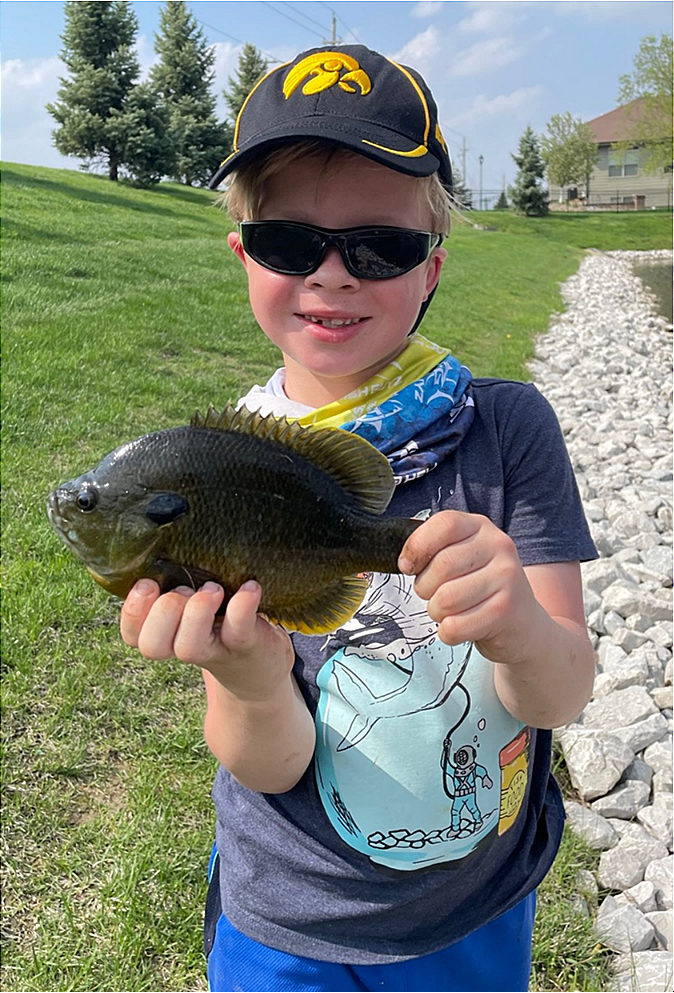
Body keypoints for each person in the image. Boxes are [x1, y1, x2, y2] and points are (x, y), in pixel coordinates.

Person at [120, 45, 597, 993]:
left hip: (475, 910)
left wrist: (520, 630)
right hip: (290, 917)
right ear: (243, 256)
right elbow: (272, 761)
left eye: (380, 247)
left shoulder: (508, 430)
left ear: (433, 269)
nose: (331, 274)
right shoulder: (221, 474)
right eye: (290, 243)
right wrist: (249, 677)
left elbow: (562, 694)